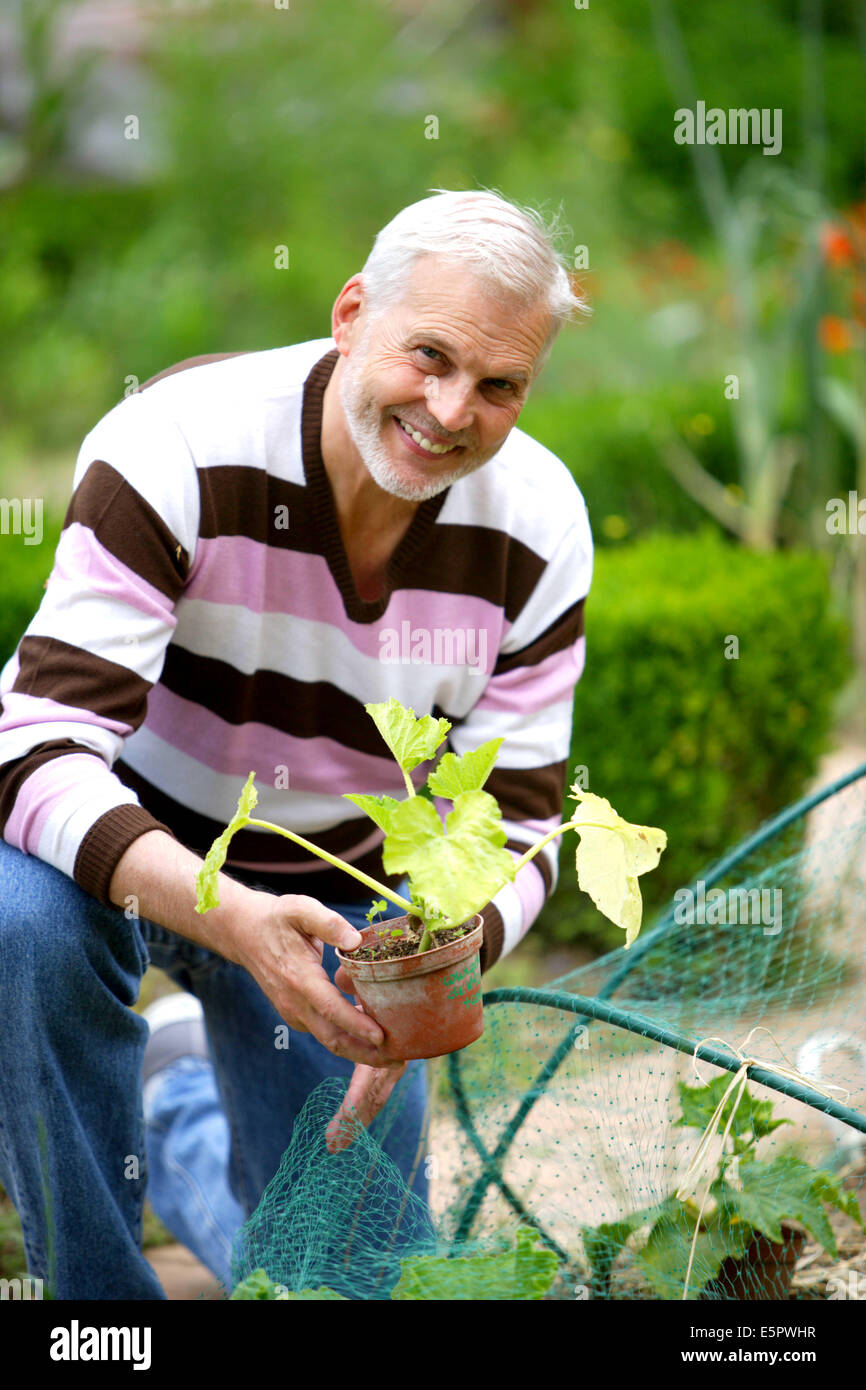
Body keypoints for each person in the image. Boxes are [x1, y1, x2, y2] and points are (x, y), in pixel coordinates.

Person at [0, 187, 594, 1299]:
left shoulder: (539, 522)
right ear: (350, 312)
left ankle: (177, 1110)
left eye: (498, 384)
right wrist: (227, 917)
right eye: (428, 354)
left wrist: (432, 968)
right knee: (14, 924)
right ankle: (96, 1307)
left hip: (338, 901)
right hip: (120, 850)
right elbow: (31, 746)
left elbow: (520, 816)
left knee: (336, 1282)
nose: (451, 409)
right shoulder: (174, 441)